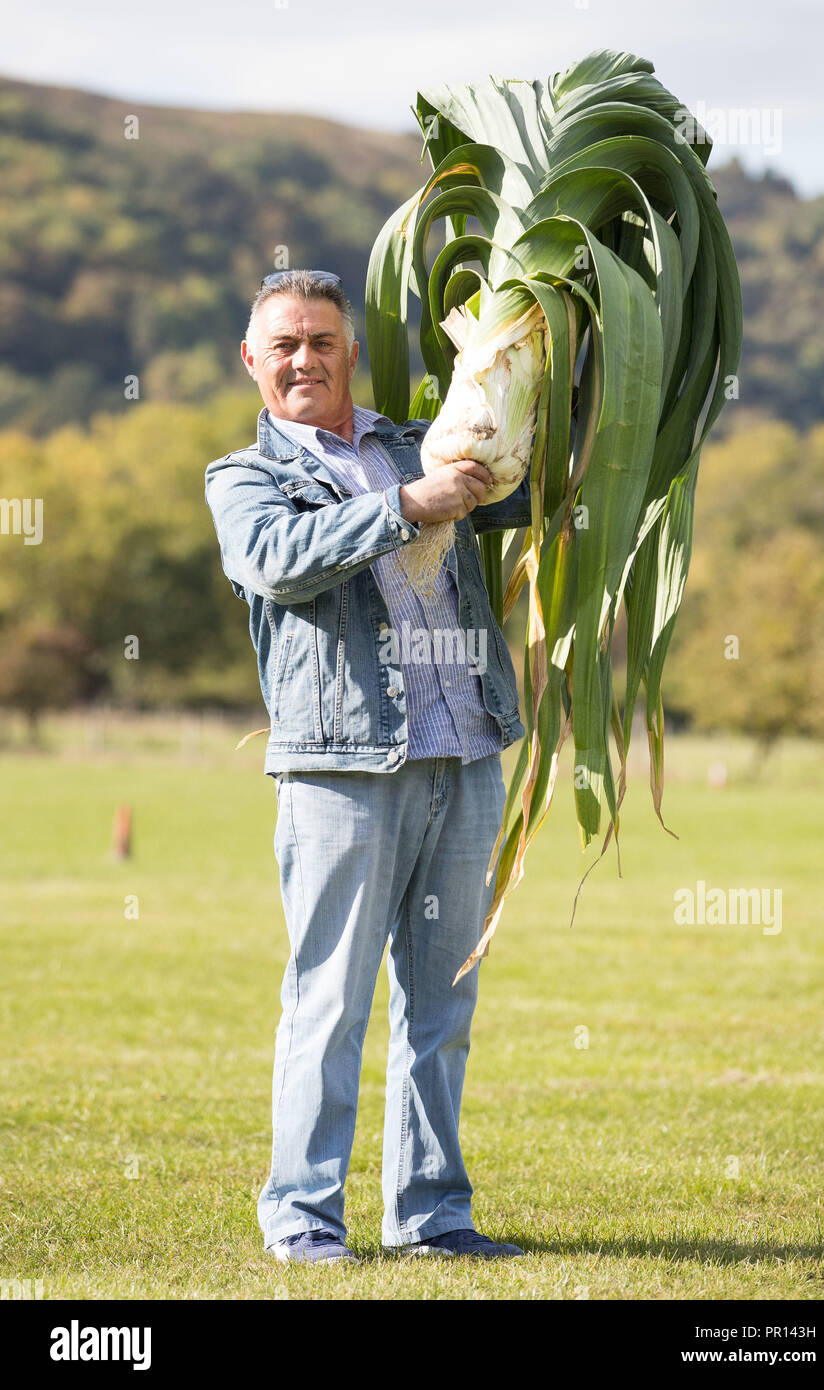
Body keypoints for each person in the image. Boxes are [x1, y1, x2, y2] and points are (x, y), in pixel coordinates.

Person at [205, 269, 530, 1264]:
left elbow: (514, 496)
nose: (304, 358)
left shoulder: (417, 440)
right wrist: (405, 504)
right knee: (328, 1001)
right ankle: (304, 1223)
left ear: (350, 352)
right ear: (254, 362)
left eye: (322, 340)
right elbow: (275, 558)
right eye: (285, 345)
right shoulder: (243, 477)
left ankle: (431, 1219)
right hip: (340, 771)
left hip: (463, 755)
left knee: (442, 1007)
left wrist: (546, 382)